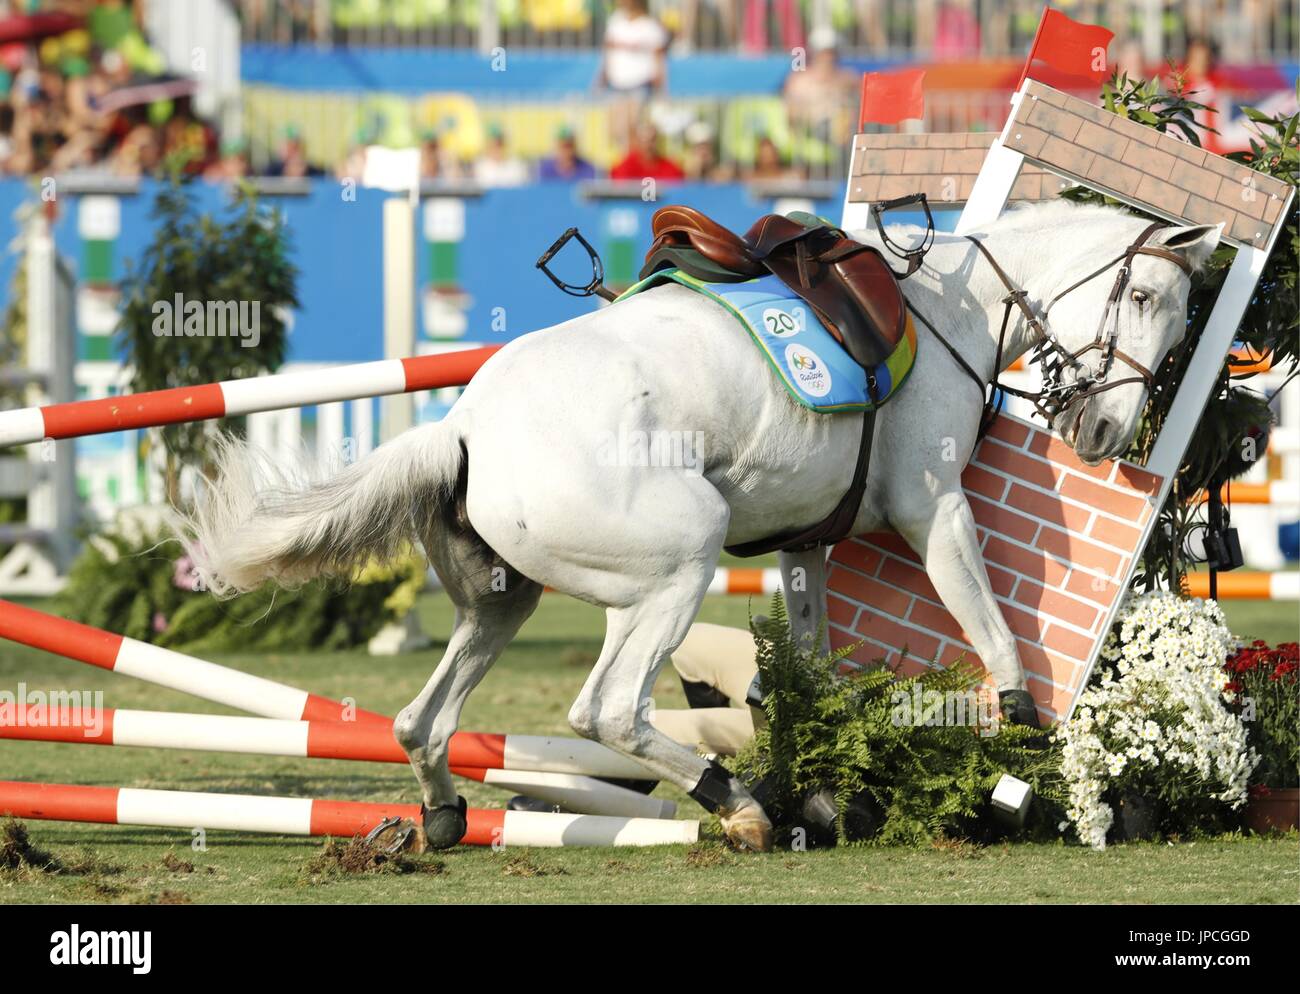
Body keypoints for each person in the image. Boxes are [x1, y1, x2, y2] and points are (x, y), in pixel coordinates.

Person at [596, 0, 669, 145]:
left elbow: (659, 59)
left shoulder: (650, 26)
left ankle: (634, 162)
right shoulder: (615, 22)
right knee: (615, 130)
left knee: (633, 128)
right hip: (617, 84)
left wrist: (661, 87)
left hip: (640, 83)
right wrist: (602, 76)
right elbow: (608, 52)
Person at [609, 121, 684, 182]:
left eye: (652, 140)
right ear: (637, 141)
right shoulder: (625, 167)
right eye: (644, 140)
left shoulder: (670, 168)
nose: (649, 145)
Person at [472, 123, 529, 187]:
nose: (496, 149)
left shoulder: (516, 166)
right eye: (492, 144)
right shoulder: (481, 167)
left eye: (499, 144)